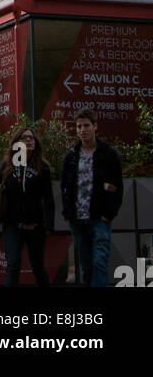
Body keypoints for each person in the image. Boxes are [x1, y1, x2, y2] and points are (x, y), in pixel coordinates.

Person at [0, 125, 53, 287]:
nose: (29, 140)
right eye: (24, 137)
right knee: (13, 264)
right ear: (17, 143)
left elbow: (48, 199)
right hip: (12, 225)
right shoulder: (8, 166)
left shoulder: (43, 167)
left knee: (38, 266)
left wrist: (49, 225)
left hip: (35, 226)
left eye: (31, 138)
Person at [61, 108, 123, 287]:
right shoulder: (71, 157)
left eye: (86, 126)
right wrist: (67, 215)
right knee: (86, 266)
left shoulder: (108, 155)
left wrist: (108, 214)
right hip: (77, 219)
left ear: (95, 126)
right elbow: (65, 186)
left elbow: (117, 187)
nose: (82, 130)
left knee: (100, 262)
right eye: (79, 126)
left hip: (99, 218)